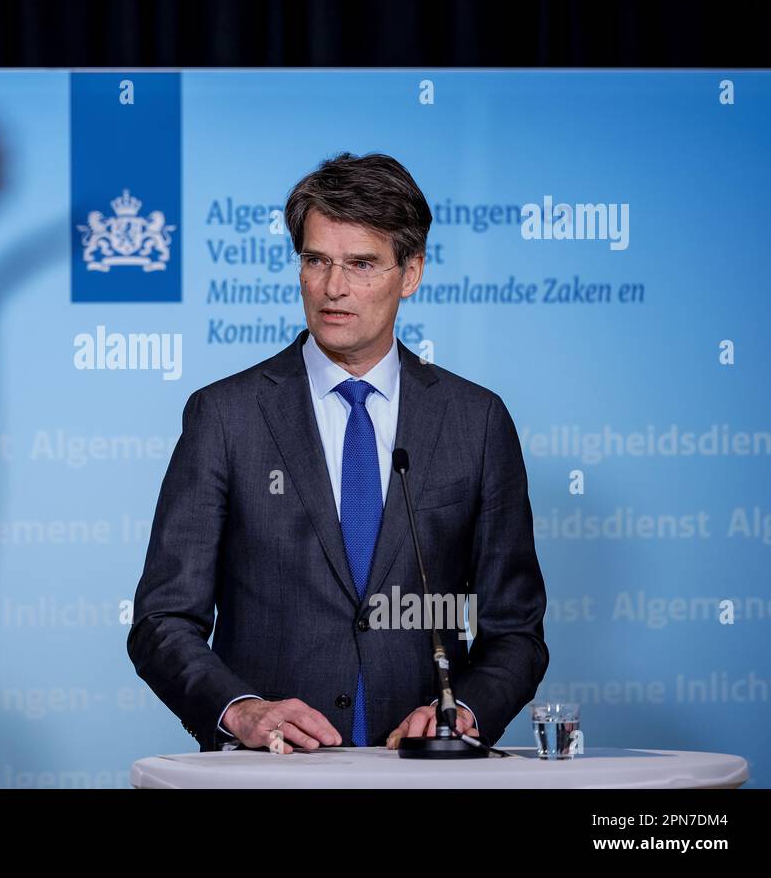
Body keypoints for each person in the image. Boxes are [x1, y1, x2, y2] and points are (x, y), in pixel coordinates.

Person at [127, 152, 548, 752]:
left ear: (411, 273)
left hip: (422, 775)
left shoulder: (475, 421)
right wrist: (241, 712)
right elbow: (162, 622)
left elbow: (516, 632)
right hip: (267, 777)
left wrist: (464, 712)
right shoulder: (225, 416)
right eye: (316, 260)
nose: (333, 287)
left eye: (362, 263)